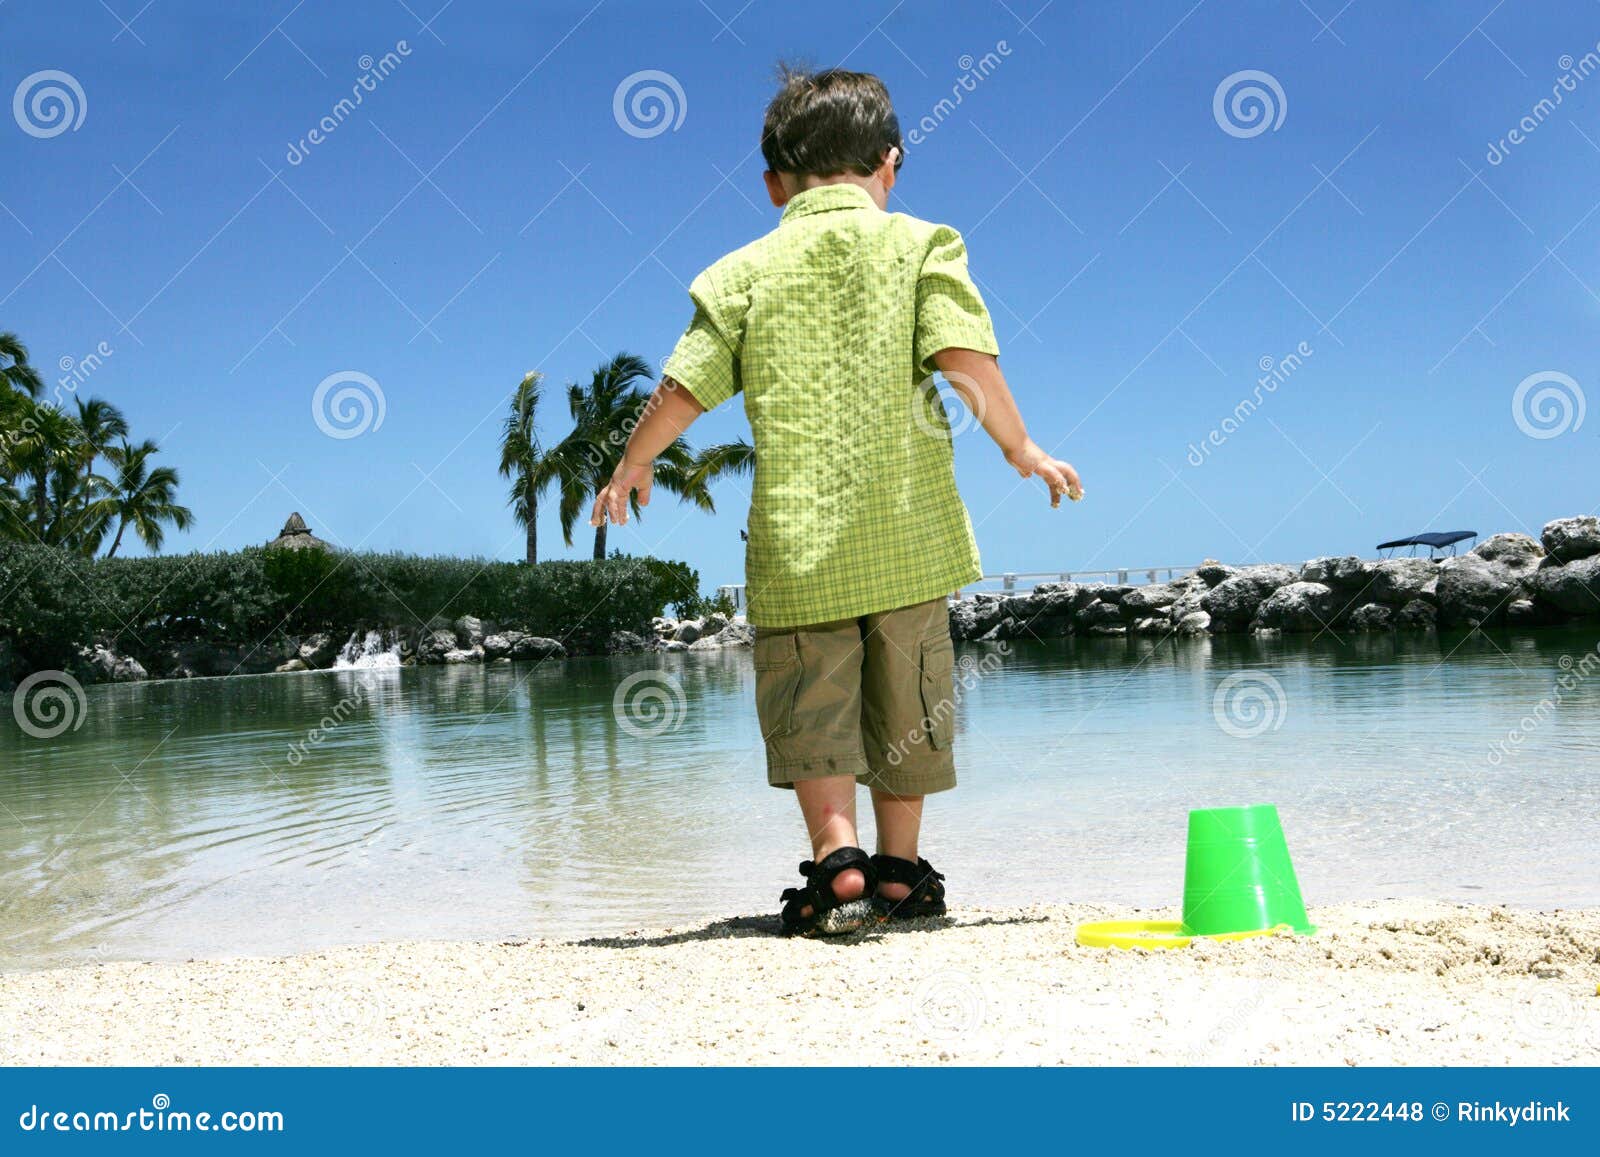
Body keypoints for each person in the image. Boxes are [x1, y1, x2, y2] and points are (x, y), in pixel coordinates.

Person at [591, 66, 1082, 937]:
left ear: (774, 181)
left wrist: (634, 462)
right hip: (910, 538)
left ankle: (837, 865)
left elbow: (683, 385)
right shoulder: (924, 246)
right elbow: (967, 358)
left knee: (812, 706)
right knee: (910, 703)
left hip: (798, 550)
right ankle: (900, 873)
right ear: (890, 165)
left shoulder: (742, 271)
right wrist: (1021, 448)